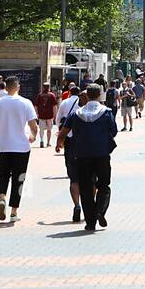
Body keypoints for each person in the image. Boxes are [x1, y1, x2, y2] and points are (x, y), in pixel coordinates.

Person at [66, 84, 117, 232]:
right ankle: (100, 211)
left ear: (87, 95)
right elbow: (113, 131)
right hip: (101, 154)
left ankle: (90, 222)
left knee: (86, 189)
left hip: (82, 156)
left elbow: (69, 130)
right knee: (104, 185)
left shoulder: (77, 113)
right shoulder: (106, 112)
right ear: (100, 95)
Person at [0, 76, 38, 223]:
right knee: (19, 178)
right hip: (21, 146)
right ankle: (14, 211)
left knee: (3, 174)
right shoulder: (25, 102)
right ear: (18, 87)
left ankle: (2, 197)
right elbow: (33, 124)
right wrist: (33, 136)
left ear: (5, 87)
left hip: (2, 145)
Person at [57, 88, 89, 222]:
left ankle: (77, 205)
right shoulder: (100, 112)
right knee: (91, 179)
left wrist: (59, 143)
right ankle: (90, 205)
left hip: (72, 146)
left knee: (74, 179)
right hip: (90, 149)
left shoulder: (72, 114)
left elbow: (60, 123)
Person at [34, 82, 59, 148]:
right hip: (50, 115)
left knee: (41, 129)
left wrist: (36, 114)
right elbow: (55, 106)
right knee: (49, 130)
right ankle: (48, 142)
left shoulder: (39, 95)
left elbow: (36, 106)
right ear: (49, 87)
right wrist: (55, 115)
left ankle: (42, 140)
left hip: (41, 115)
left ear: (43, 87)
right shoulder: (52, 95)